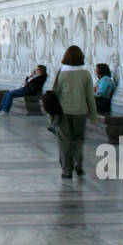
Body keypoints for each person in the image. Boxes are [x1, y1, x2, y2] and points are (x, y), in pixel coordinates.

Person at [46, 46, 97, 178]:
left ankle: (66, 170)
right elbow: (90, 96)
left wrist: (50, 115)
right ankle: (78, 164)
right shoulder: (85, 74)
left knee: (64, 141)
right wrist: (93, 115)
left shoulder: (62, 73)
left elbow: (54, 94)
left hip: (64, 113)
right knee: (79, 140)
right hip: (81, 112)